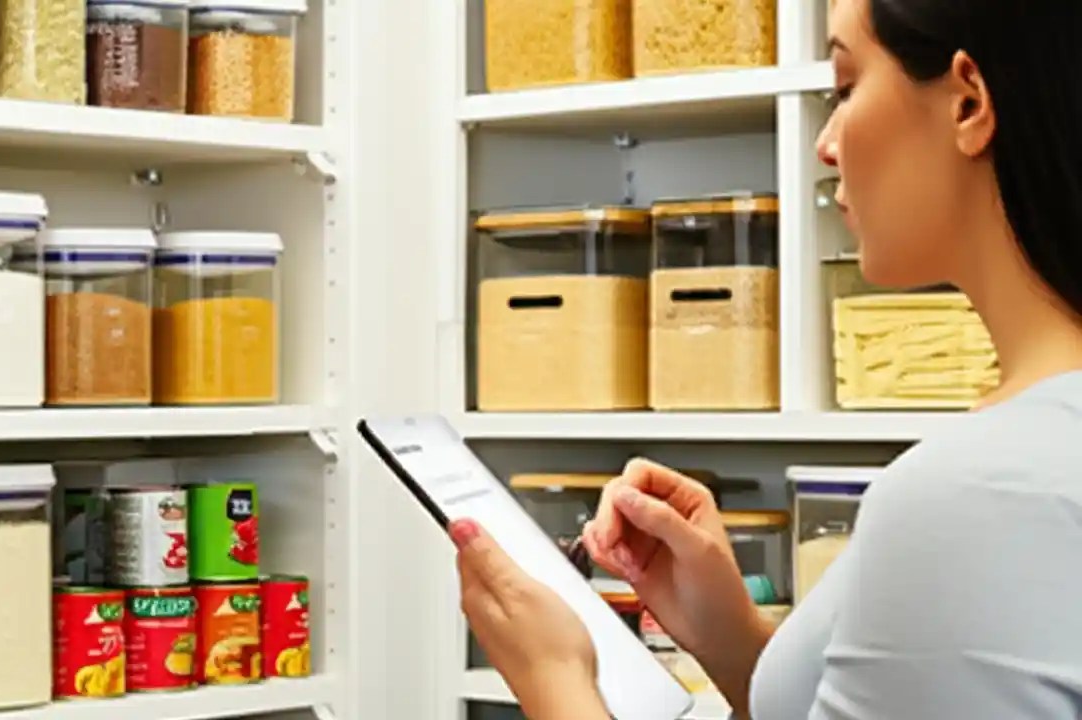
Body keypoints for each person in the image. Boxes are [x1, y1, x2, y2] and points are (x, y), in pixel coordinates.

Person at [450, 0, 1082, 718]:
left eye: (846, 87)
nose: (826, 141)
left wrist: (555, 677)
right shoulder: (1025, 449)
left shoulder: (978, 495)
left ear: (968, 101)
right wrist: (729, 637)